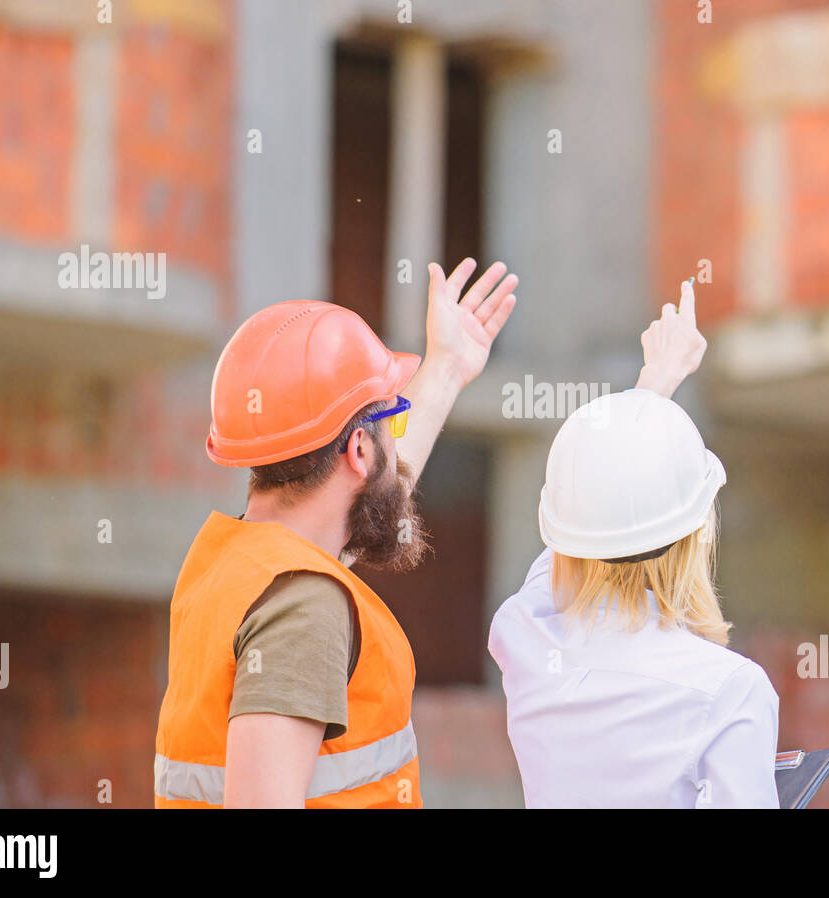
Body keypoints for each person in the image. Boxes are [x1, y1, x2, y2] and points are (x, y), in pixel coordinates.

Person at [154, 259, 518, 808]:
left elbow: (373, 489)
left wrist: (447, 366)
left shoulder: (245, 564)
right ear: (359, 451)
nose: (397, 442)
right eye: (391, 423)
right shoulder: (302, 608)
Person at [488, 280, 780, 808]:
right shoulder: (730, 690)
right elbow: (592, 518)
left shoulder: (525, 636)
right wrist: (653, 392)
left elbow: (588, 514)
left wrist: (652, 389)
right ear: (699, 534)